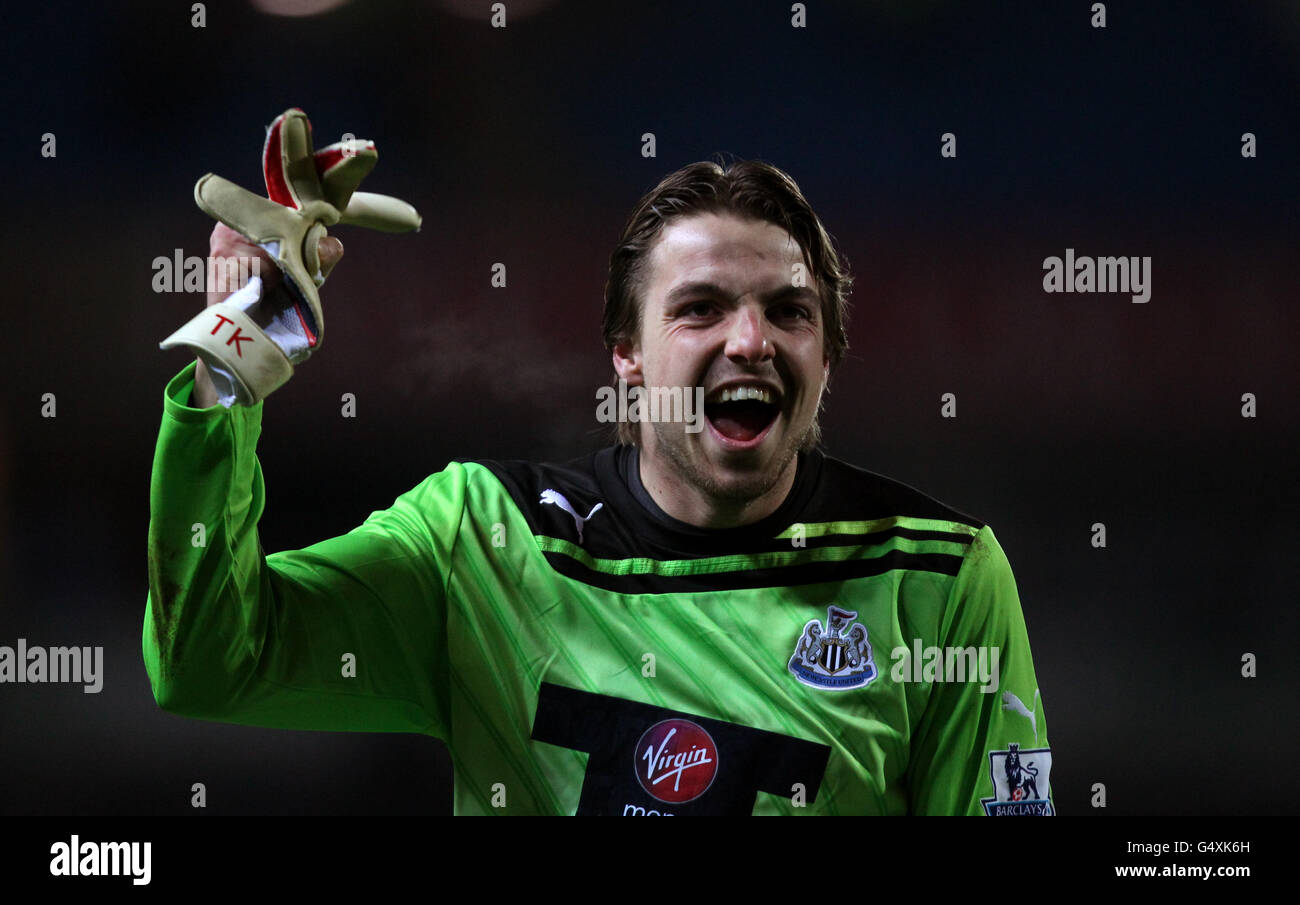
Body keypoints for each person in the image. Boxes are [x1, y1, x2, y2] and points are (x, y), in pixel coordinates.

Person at [145, 159, 1054, 815]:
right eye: (700, 307)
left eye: (789, 311)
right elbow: (210, 663)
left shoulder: (938, 578)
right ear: (628, 355)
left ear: (828, 354)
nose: (750, 341)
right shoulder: (485, 539)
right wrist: (231, 371)